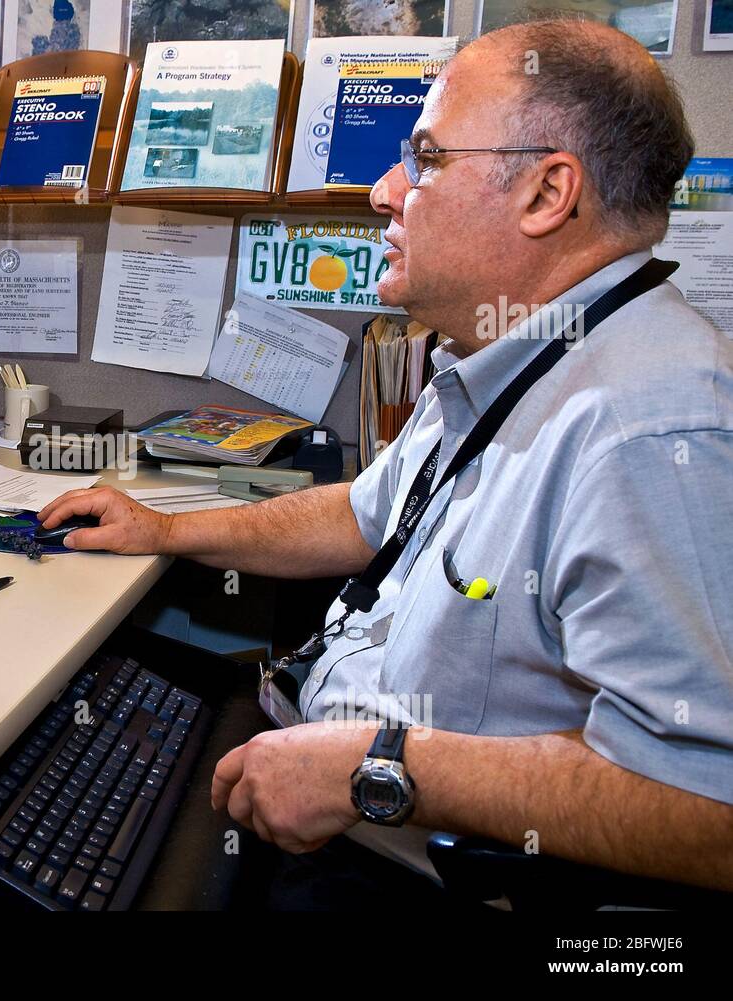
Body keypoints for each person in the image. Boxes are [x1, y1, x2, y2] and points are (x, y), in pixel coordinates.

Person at [37, 19, 733, 901]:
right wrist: (167, 528)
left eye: (428, 159)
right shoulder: (527, 355)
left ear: (548, 193)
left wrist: (379, 767)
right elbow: (364, 513)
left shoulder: (652, 426)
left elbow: (709, 804)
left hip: (397, 853)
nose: (383, 189)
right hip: (319, 753)